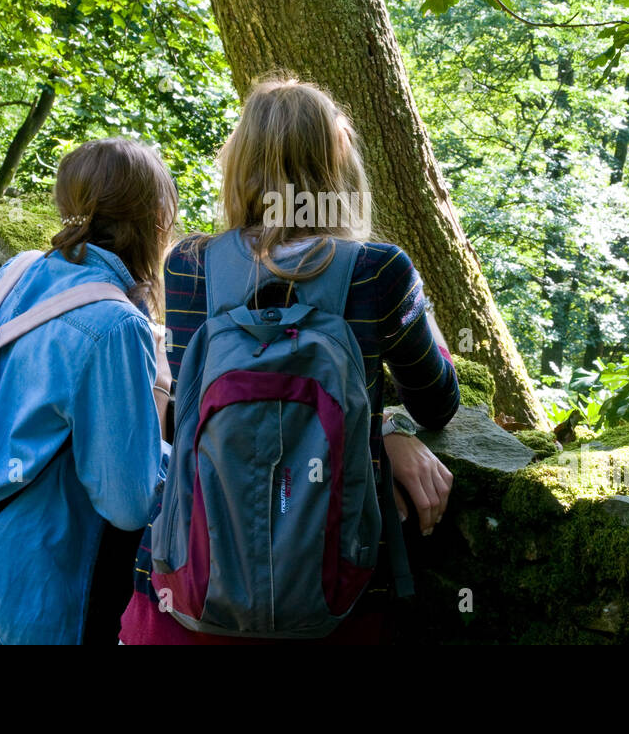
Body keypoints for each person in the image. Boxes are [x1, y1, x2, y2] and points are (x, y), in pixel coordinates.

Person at [119, 75, 459, 644]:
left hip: (186, 592)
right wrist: (391, 424)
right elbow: (438, 401)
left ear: (239, 165)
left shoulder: (188, 266)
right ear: (339, 168)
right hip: (337, 601)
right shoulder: (379, 270)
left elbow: (185, 408)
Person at [0, 137, 176, 644]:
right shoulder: (116, 325)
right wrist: (164, 418)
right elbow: (127, 502)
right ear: (156, 218)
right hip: (14, 593)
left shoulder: (18, 271)